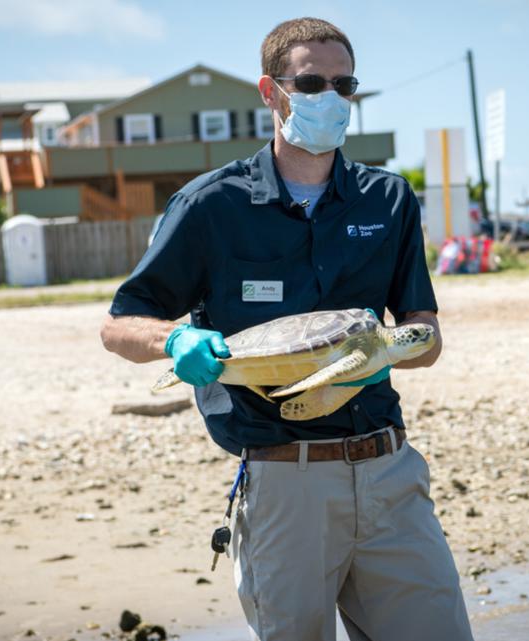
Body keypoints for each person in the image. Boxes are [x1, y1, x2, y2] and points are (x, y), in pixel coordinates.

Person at [99, 17, 474, 641]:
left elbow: (423, 332)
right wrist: (173, 340)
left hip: (389, 472)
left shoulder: (388, 200)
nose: (329, 96)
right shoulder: (209, 206)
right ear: (270, 92)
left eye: (343, 83)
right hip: (283, 483)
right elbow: (118, 326)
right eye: (310, 82)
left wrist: (385, 354)